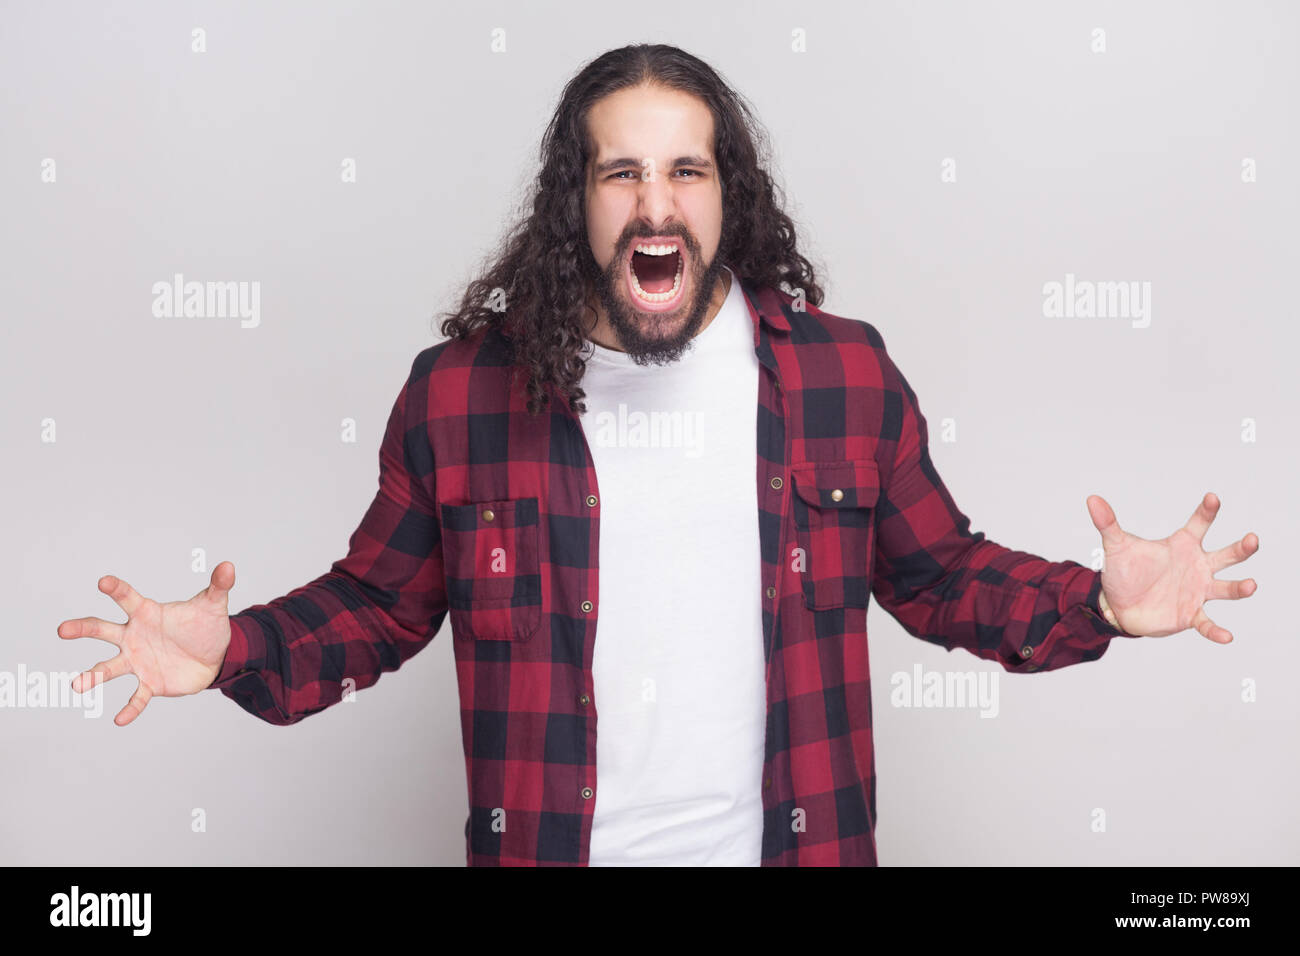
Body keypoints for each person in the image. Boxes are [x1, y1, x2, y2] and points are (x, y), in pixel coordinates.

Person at [58, 43, 1260, 866]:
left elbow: (942, 577)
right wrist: (233, 650)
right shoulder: (461, 394)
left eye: (684, 169)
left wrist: (1095, 601)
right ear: (572, 200)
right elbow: (375, 606)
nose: (654, 203)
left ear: (723, 194)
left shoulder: (843, 376)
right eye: (619, 170)